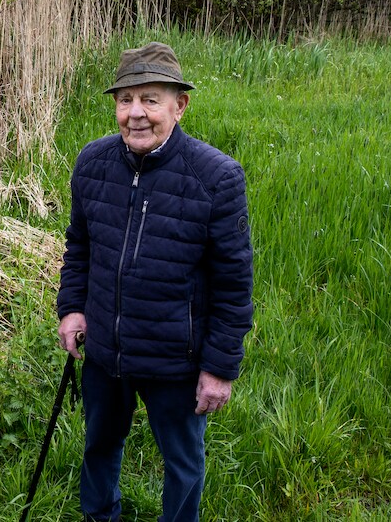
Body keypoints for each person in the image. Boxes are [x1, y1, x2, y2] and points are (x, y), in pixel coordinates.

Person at [56, 42, 254, 522]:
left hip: (176, 359)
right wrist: (72, 308)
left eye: (150, 99)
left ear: (179, 105)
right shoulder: (93, 163)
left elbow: (234, 284)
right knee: (99, 444)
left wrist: (219, 368)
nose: (135, 114)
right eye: (126, 100)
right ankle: (100, 515)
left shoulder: (216, 178)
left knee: (183, 463)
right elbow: (78, 247)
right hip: (105, 349)